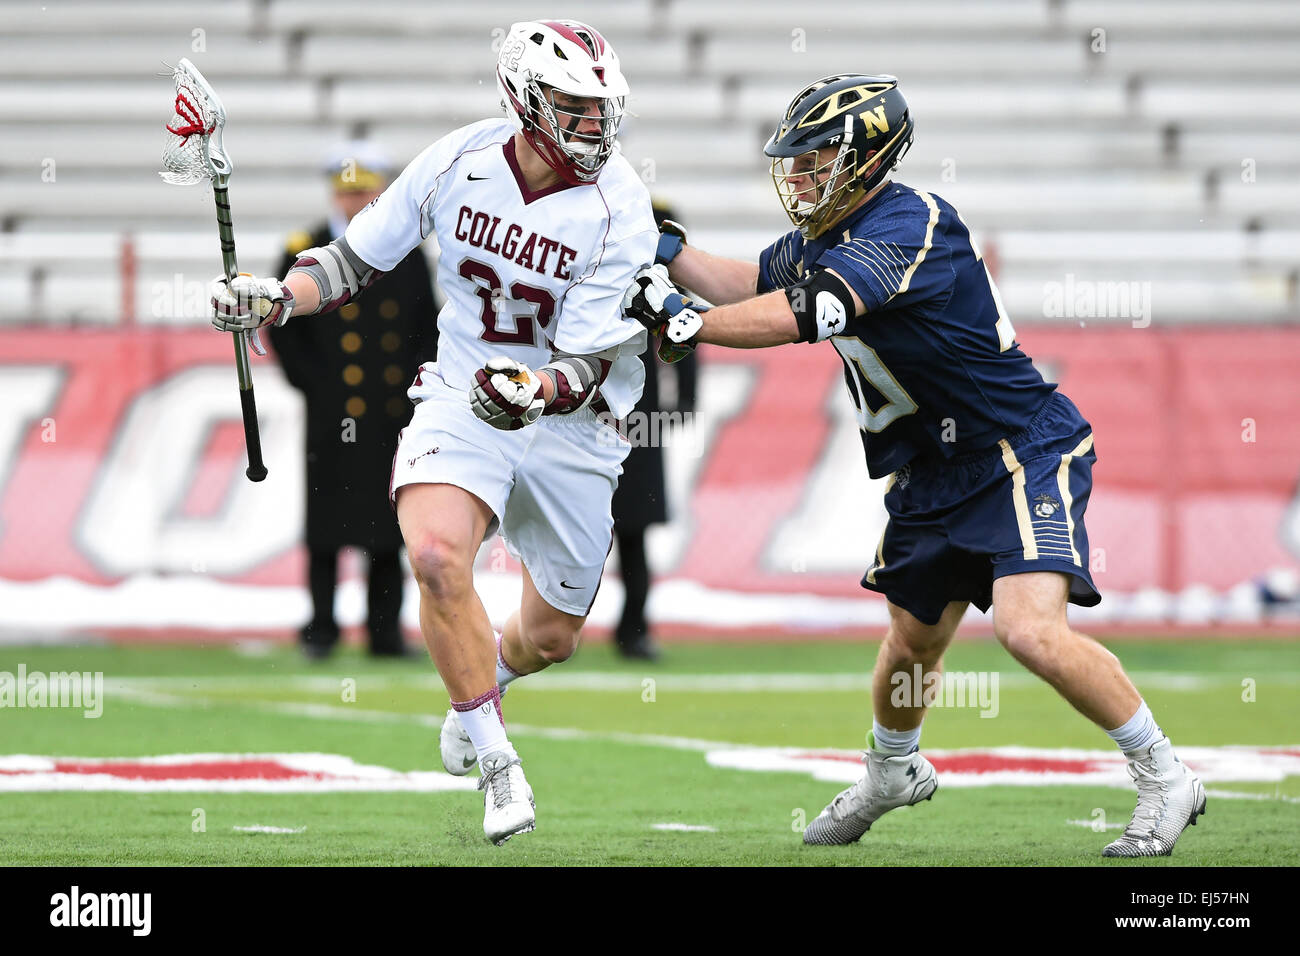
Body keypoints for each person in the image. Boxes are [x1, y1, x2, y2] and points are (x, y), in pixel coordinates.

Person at [622, 74, 1205, 857]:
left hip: (1014, 449)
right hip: (931, 470)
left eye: (816, 156)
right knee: (911, 643)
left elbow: (802, 312)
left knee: (1030, 632)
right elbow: (756, 282)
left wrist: (688, 323)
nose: (798, 174)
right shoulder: (828, 234)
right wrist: (669, 250)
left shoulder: (912, 222)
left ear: (866, 158)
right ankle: (892, 770)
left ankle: (1165, 774)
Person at [211, 19, 656, 846]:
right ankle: (497, 763)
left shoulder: (620, 205)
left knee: (553, 636)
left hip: (571, 417)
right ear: (526, 101)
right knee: (436, 557)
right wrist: (274, 298)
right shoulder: (459, 159)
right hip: (462, 389)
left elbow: (592, 363)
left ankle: (490, 681)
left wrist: (539, 387)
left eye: (602, 107)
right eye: (573, 105)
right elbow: (347, 265)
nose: (595, 123)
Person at [269, 141, 440, 660]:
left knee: (388, 527)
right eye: (347, 192)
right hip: (333, 411)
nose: (354, 201)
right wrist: (314, 385)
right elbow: (283, 325)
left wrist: (413, 389)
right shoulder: (306, 249)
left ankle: (384, 632)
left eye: (365, 191)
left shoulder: (405, 254)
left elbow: (423, 328)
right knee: (325, 524)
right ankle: (321, 627)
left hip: (390, 413)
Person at [610, 200, 697, 661]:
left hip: (636, 408)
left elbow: (684, 323)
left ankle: (634, 628)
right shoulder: (576, 232)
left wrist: (683, 399)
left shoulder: (650, 241)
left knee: (633, 528)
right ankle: (559, 626)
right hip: (578, 403)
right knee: (569, 524)